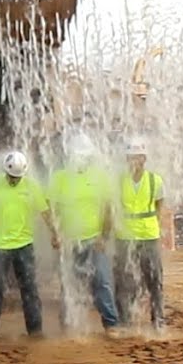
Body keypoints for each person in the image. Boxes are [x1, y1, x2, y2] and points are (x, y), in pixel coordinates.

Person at [0, 150, 61, 341]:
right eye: (11, 177)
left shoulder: (32, 186)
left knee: (29, 287)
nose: (14, 180)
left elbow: (45, 212)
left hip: (24, 245)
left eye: (17, 177)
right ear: (6, 172)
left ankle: (35, 328)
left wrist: (54, 234)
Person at [48, 135, 121, 338]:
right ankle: (68, 324)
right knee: (69, 282)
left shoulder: (100, 177)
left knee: (102, 281)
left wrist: (103, 237)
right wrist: (55, 234)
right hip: (70, 241)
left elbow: (108, 210)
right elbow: (52, 209)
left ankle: (110, 323)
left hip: (94, 240)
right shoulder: (59, 178)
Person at [112, 138, 168, 332]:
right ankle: (126, 322)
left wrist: (156, 228)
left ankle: (158, 321)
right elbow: (112, 208)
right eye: (130, 157)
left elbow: (160, 206)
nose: (133, 161)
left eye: (137, 157)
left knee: (154, 280)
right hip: (125, 238)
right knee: (124, 281)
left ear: (144, 159)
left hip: (148, 237)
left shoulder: (155, 180)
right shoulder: (119, 181)